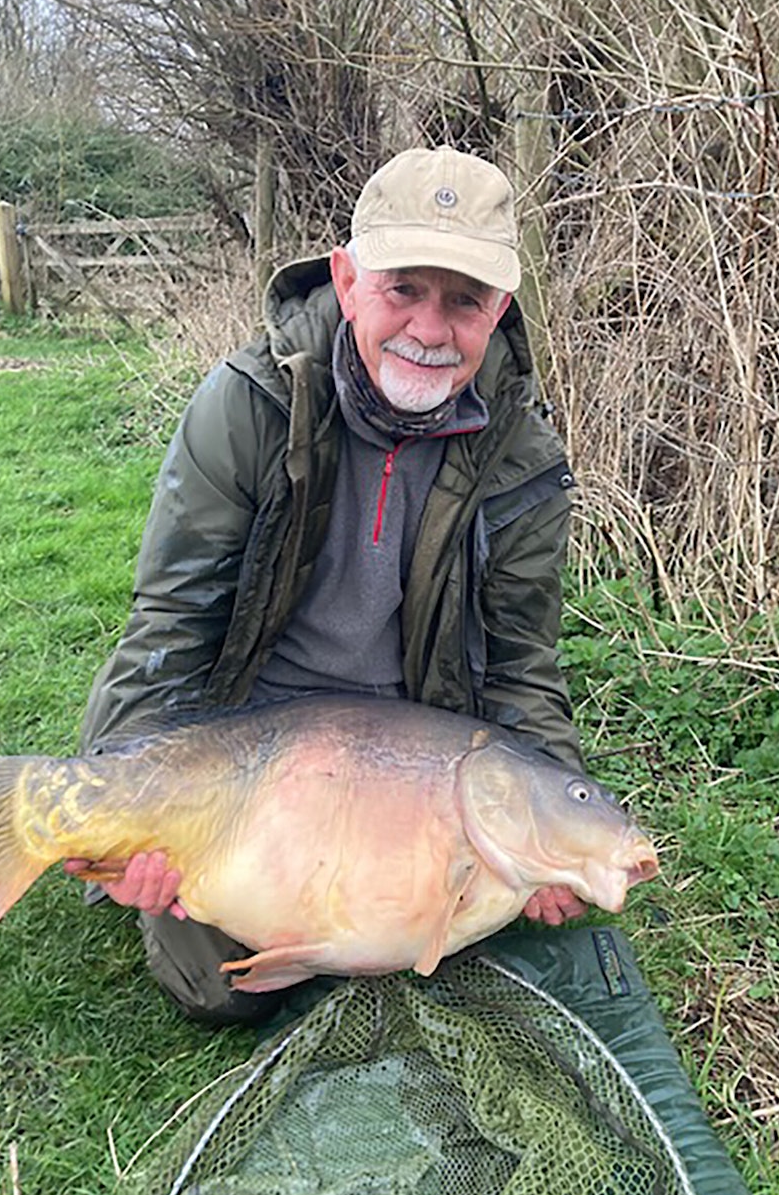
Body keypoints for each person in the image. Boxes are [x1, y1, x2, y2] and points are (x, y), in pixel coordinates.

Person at [67, 147, 588, 1024]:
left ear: (499, 310)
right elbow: (170, 626)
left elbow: (521, 665)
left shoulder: (524, 462)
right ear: (347, 281)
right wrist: (123, 791)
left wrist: (558, 813)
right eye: (403, 289)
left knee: (462, 919)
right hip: (246, 741)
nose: (431, 327)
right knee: (216, 984)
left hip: (410, 758)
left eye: (464, 301)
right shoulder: (247, 406)